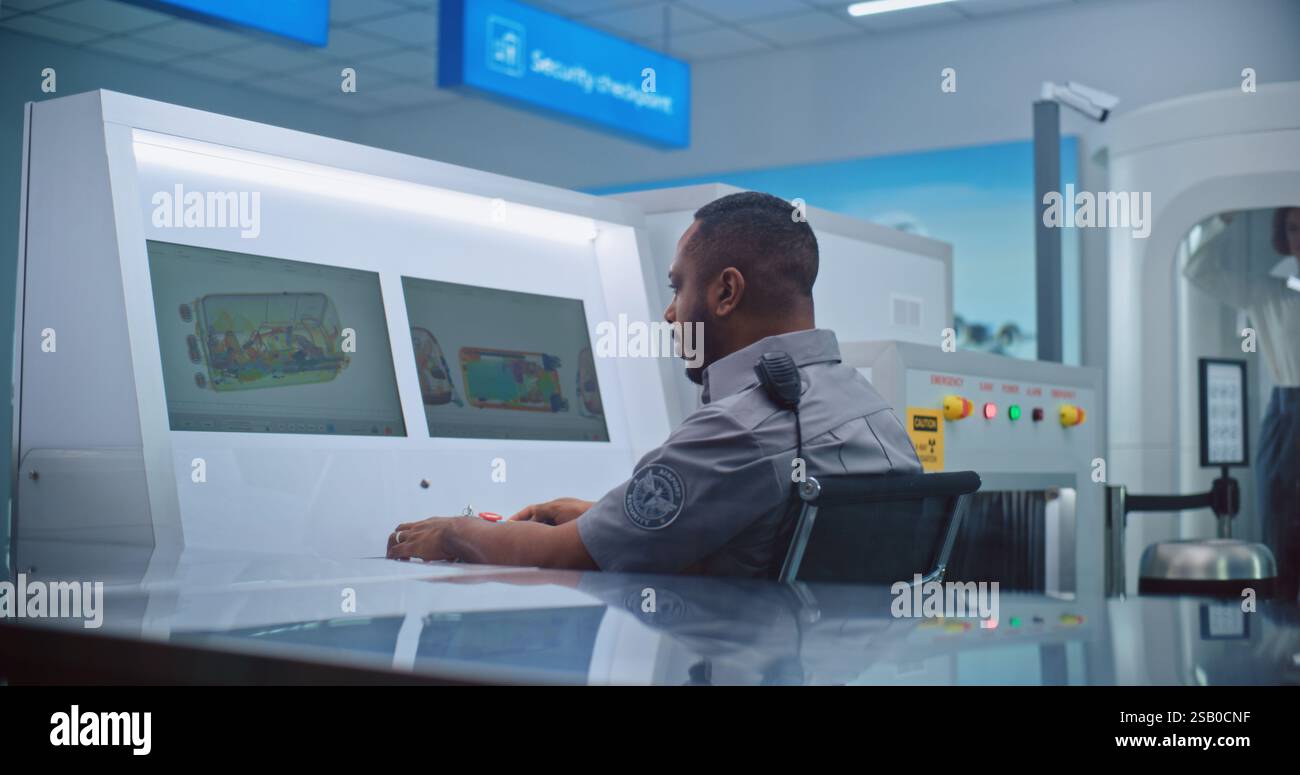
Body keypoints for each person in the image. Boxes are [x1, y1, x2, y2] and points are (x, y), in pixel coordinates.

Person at [387, 191, 922, 577]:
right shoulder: (872, 410)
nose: (669, 314)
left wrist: (455, 531)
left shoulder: (740, 427)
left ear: (726, 292)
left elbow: (560, 556)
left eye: (678, 287)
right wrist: (606, 515)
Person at [1184, 206, 1300, 599]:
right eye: (1294, 228)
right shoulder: (1272, 295)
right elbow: (1198, 273)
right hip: (1287, 414)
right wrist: (1221, 219)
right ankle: (1284, 633)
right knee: (1280, 524)